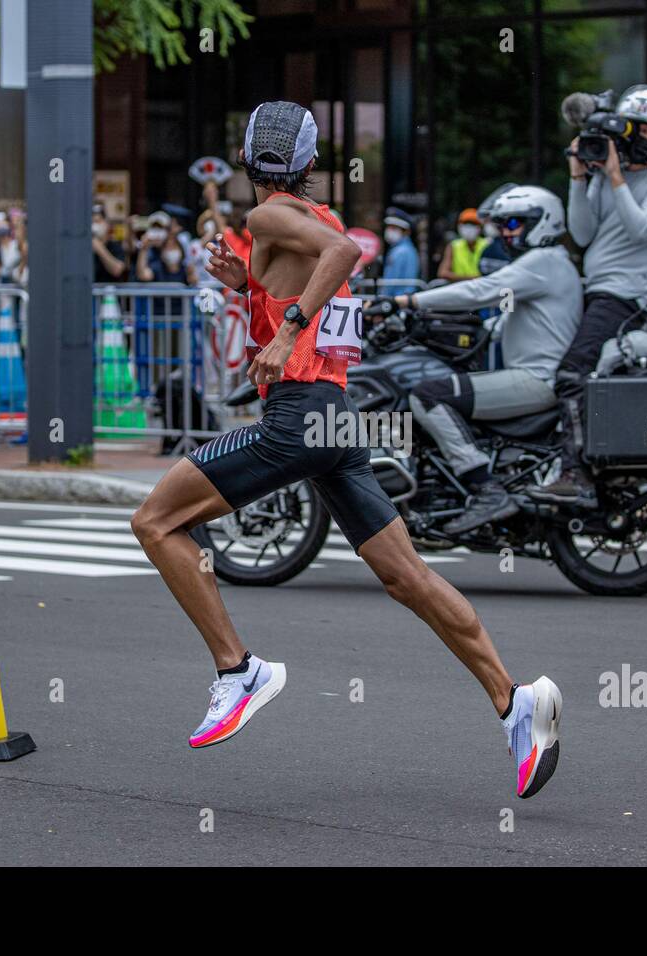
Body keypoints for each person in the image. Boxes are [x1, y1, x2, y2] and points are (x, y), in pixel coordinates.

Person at [130, 101, 563, 799]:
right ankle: (517, 702)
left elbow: (341, 260)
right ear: (308, 163)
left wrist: (280, 333)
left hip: (296, 420)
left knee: (155, 521)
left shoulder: (269, 218)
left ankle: (237, 669)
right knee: (406, 578)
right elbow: (319, 266)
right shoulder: (317, 217)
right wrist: (250, 288)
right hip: (335, 422)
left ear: (247, 160)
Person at [379, 186, 580, 533]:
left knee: (428, 395)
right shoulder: (548, 264)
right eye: (503, 224)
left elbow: (479, 290)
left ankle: (486, 488)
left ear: (543, 222)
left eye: (515, 222)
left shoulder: (543, 261)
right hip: (532, 375)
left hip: (534, 379)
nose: (506, 231)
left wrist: (407, 303)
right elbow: (501, 322)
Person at [530, 84, 647, 506]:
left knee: (571, 375)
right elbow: (581, 233)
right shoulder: (601, 174)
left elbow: (641, 230)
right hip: (596, 292)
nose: (640, 135)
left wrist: (615, 177)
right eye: (637, 127)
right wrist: (580, 178)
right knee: (561, 373)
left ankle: (574, 472)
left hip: (621, 298)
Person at [436, 208, 489, 282]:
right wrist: (473, 279)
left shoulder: (487, 245)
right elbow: (442, 273)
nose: (469, 228)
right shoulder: (453, 246)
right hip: (460, 289)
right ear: (459, 226)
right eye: (465, 224)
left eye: (473, 224)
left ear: (479, 227)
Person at [380, 207, 420, 296]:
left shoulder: (400, 252)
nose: (389, 231)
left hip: (396, 301)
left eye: (394, 228)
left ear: (406, 231)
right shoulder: (409, 249)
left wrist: (381, 298)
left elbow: (390, 281)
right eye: (388, 227)